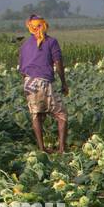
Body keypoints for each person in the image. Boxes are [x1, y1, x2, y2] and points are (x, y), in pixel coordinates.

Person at [18, 14, 68, 153]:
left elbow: (22, 70)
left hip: (28, 82)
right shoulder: (51, 42)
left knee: (36, 115)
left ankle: (41, 149)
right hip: (43, 81)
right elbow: (58, 63)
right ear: (44, 26)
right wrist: (64, 82)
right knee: (61, 115)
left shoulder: (24, 45)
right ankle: (62, 149)